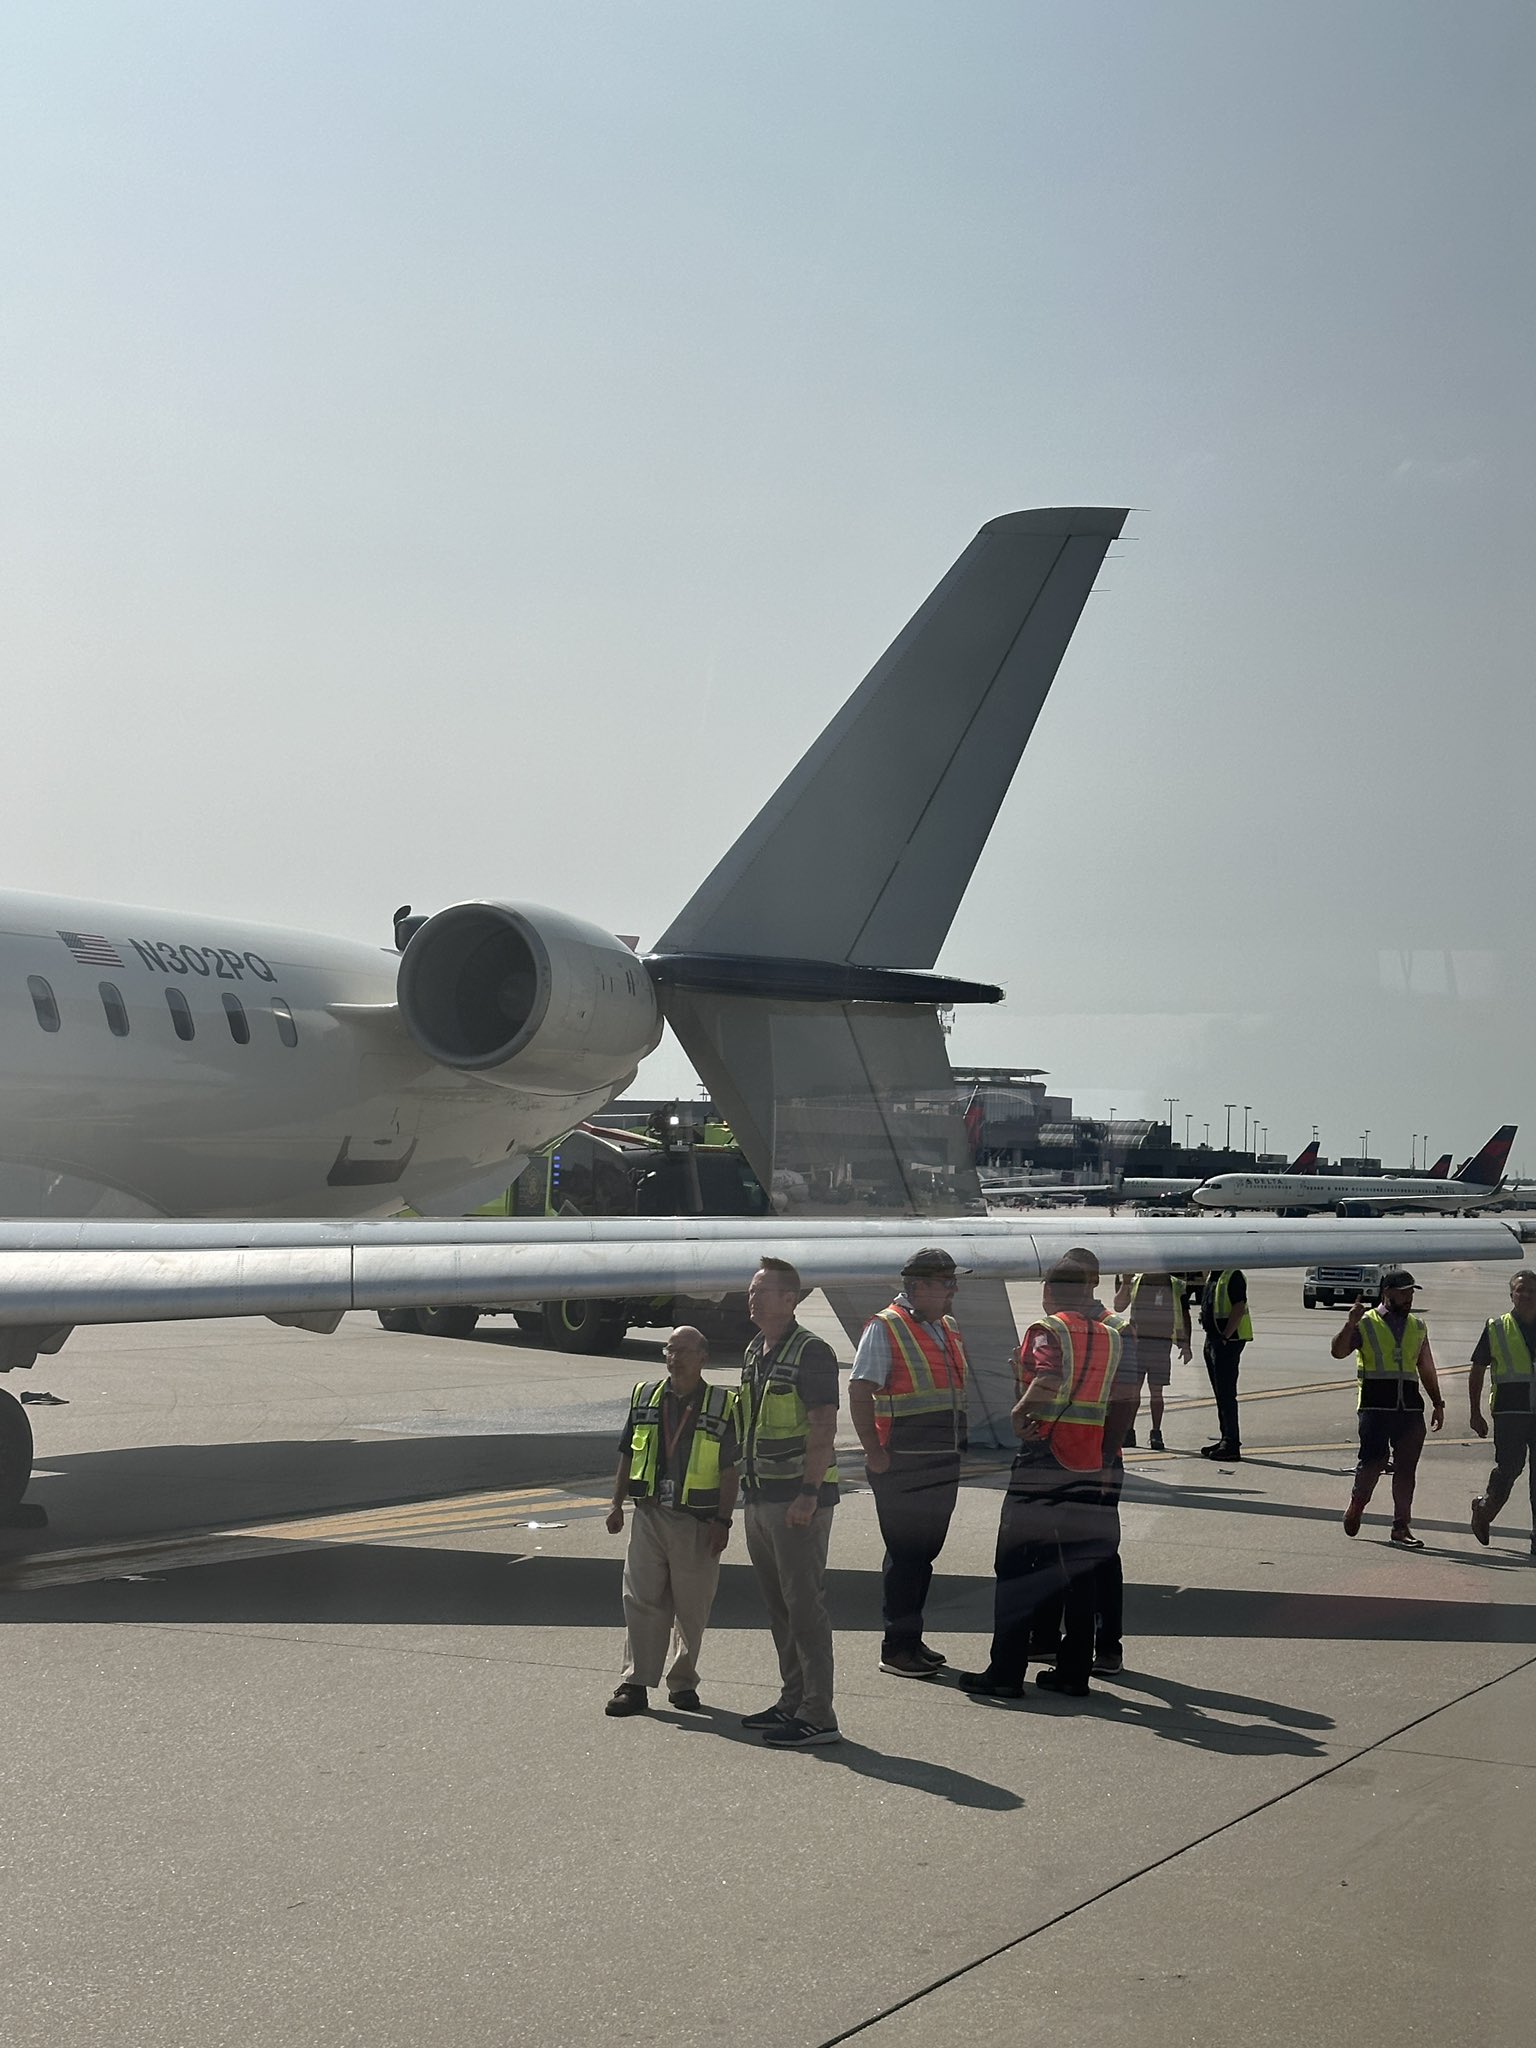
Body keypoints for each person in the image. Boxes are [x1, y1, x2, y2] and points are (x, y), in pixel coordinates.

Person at [959, 1259, 1122, 1701]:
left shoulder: (1047, 1329)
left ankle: (1005, 1671)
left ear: (1049, 1289)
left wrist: (1018, 1411)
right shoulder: (1109, 1336)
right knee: (1078, 1572)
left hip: (1044, 1458)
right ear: (1086, 1291)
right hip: (1087, 1462)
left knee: (1015, 1566)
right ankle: (1074, 1672)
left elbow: (1051, 1376)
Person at [604, 1326, 739, 1716]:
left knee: (691, 1608)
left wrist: (723, 1521)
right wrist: (616, 1503)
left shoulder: (721, 1405)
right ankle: (635, 1683)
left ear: (703, 1358)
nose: (674, 1358)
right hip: (649, 1513)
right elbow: (628, 1453)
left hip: (696, 1521)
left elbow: (730, 1470)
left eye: (683, 1351)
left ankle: (682, 1683)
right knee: (641, 1600)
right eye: (669, 1350)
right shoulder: (645, 1396)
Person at [848, 1248, 969, 1678]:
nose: (953, 1290)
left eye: (954, 1282)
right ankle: (896, 1649)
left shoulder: (945, 1326)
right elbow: (860, 1390)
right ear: (917, 1287)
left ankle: (910, 1639)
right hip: (903, 1463)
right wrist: (874, 1452)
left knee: (923, 1555)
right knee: (906, 1555)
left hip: (940, 1462)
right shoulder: (886, 1327)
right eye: (945, 1283)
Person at [738, 1257, 842, 1747]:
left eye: (761, 1291)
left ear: (789, 1299)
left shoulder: (812, 1352)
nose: (751, 1299)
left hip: (797, 1503)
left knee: (804, 1608)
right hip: (760, 1497)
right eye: (751, 1291)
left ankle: (819, 1714)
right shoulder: (755, 1350)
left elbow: (824, 1426)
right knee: (779, 1606)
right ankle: (793, 1699)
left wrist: (809, 1493)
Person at [1332, 1268, 1444, 1548]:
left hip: (1410, 1407)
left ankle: (1401, 1526)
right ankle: (1357, 1504)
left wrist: (1437, 1402)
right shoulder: (1366, 1322)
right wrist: (1349, 1324)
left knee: (1406, 1468)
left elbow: (1426, 1367)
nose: (1408, 1298)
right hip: (1375, 1405)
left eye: (1411, 1293)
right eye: (1403, 1293)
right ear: (1387, 1293)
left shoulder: (1418, 1326)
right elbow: (1338, 1351)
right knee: (1373, 1462)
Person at [1469, 1268, 1536, 1550]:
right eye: (1521, 1290)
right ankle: (1485, 1509)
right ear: (1511, 1295)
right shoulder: (1497, 1327)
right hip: (1510, 1412)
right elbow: (1477, 1369)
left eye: (1532, 1290)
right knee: (1510, 1468)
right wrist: (1475, 1412)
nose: (1526, 1295)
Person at [1112, 1271, 1191, 1451]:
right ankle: (1129, 1431)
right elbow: (1119, 1306)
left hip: (1160, 1344)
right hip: (1137, 1343)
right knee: (1134, 1392)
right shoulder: (1136, 1281)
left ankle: (1156, 1432)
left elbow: (1185, 1315)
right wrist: (1125, 1282)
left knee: (1156, 1392)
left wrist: (1185, 1343)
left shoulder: (1175, 1285)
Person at [1199, 1268, 1251, 1460]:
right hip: (1213, 1339)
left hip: (1227, 1341)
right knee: (1220, 1394)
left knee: (1227, 1394)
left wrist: (1225, 1337)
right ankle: (1225, 1439)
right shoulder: (1214, 1275)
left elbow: (1239, 1306)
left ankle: (1231, 1444)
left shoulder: (1232, 1275)